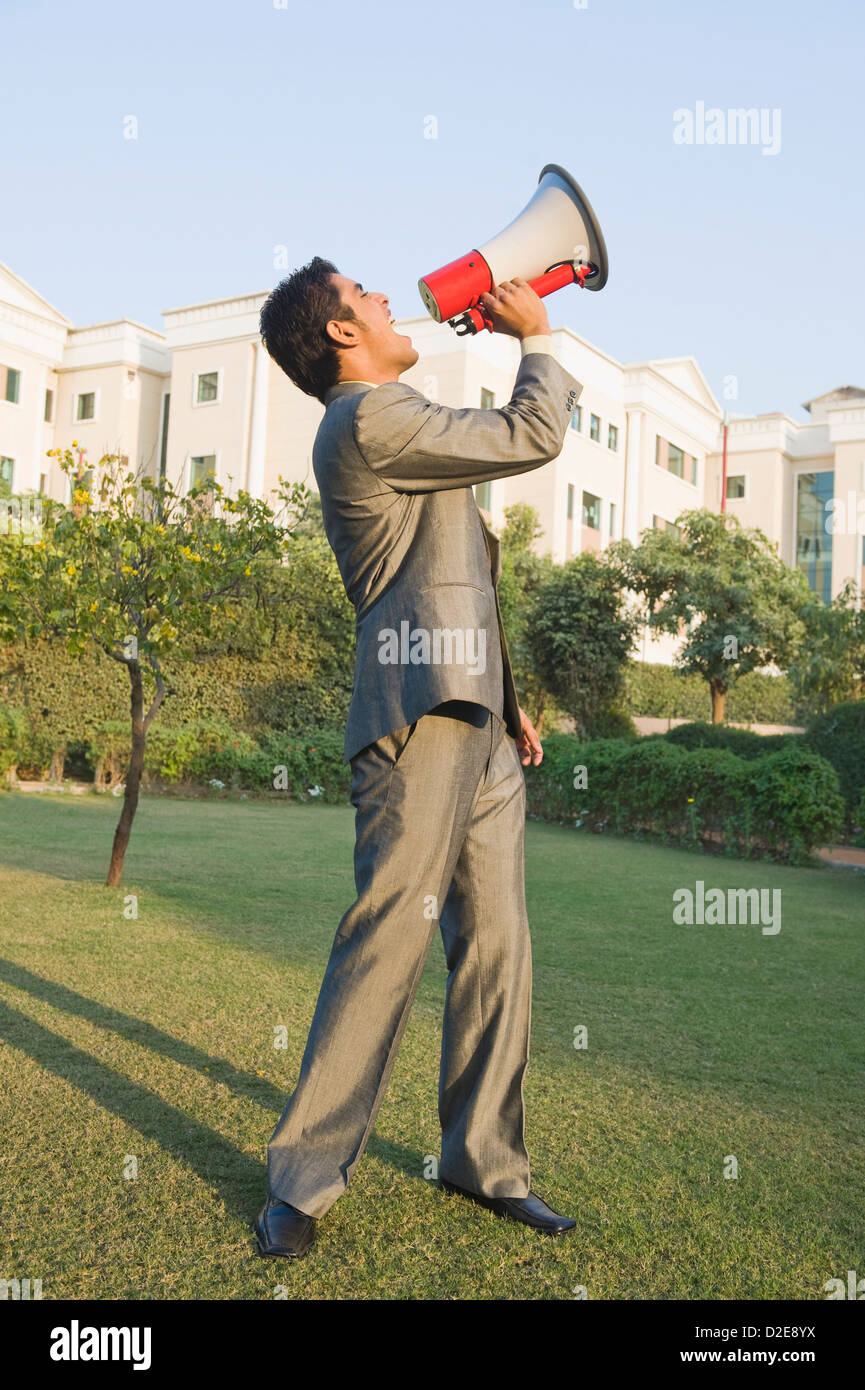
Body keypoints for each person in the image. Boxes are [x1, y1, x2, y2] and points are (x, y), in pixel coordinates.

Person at [254, 258, 583, 1258]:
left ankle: (485, 1162)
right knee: (390, 937)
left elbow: (466, 578)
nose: (390, 298)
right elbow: (531, 432)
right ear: (342, 335)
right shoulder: (367, 419)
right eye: (367, 294)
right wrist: (536, 337)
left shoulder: (403, 423)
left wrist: (514, 705)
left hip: (477, 719)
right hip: (415, 716)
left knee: (496, 946)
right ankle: (302, 1182)